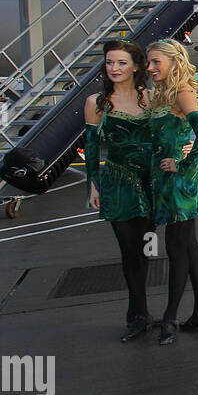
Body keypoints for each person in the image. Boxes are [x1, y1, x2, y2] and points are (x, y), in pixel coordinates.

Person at [84, 40, 156, 342]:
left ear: (136, 66)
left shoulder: (151, 98)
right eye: (109, 62)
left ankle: (142, 312)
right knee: (128, 250)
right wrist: (93, 183)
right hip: (117, 183)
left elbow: (173, 131)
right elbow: (90, 147)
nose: (113, 68)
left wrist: (185, 149)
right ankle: (137, 314)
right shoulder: (97, 102)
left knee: (147, 248)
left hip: (150, 182)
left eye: (121, 62)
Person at [146, 39, 198, 347]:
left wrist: (184, 163)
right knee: (189, 247)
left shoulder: (182, 93)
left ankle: (170, 317)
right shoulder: (162, 93)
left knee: (177, 249)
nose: (150, 67)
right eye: (148, 62)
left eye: (156, 62)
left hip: (180, 185)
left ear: (174, 62)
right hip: (169, 183)